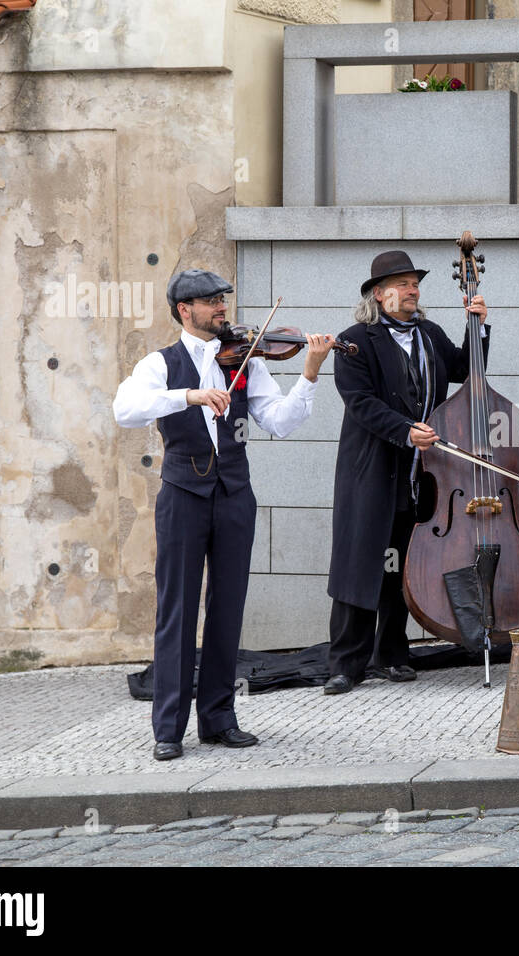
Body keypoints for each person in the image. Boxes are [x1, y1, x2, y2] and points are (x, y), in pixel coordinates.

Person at [113, 269, 333, 759]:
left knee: (228, 606)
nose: (221, 307)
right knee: (178, 609)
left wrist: (311, 373)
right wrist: (189, 395)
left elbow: (280, 421)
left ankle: (217, 718)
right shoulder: (160, 363)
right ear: (183, 310)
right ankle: (168, 728)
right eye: (209, 301)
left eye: (222, 299)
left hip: (235, 493)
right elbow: (124, 409)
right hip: (183, 495)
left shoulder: (246, 360)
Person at [323, 251, 489, 695]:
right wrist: (403, 430)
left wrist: (478, 329)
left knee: (402, 561)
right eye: (402, 283)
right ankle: (345, 662)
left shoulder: (429, 334)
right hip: (373, 470)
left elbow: (465, 371)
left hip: (422, 471)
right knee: (361, 563)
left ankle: (392, 654)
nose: (412, 289)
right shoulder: (356, 340)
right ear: (378, 294)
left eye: (415, 282)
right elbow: (359, 402)